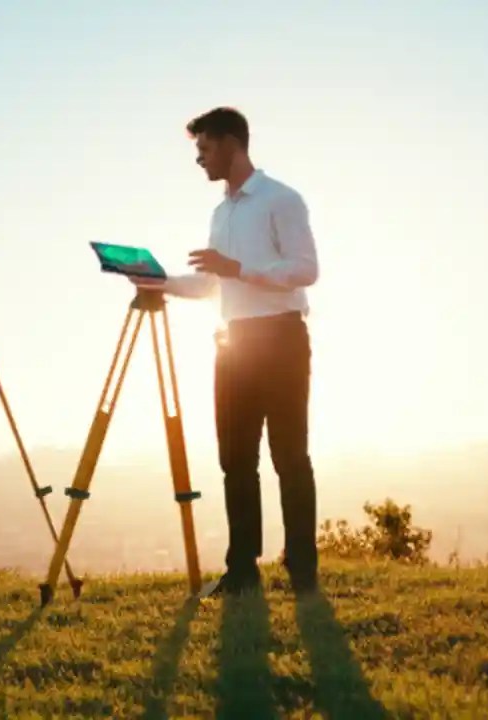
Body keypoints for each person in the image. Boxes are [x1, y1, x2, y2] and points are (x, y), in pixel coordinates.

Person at [132, 106, 320, 596]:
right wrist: (164, 283)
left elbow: (305, 271)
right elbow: (214, 284)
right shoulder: (221, 213)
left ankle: (302, 568)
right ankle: (242, 570)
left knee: (289, 457)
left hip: (280, 339)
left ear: (232, 144)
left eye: (205, 149)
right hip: (234, 342)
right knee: (235, 459)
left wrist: (238, 269)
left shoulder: (282, 200)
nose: (199, 160)